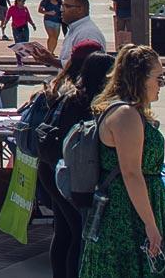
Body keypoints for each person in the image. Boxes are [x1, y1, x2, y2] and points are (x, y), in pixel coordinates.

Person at [80, 44, 165, 277]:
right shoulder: (126, 115)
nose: (161, 85)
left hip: (135, 205)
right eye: (158, 78)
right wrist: (150, 225)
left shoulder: (130, 112)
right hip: (126, 211)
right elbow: (131, 173)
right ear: (140, 78)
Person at [40, 47, 113, 277]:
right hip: (67, 174)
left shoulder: (69, 94)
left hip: (52, 168)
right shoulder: (86, 103)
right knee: (78, 233)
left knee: (65, 231)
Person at [31, 0, 105, 69]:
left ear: (80, 9)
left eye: (66, 6)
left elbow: (84, 65)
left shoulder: (87, 33)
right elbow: (68, 60)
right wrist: (50, 60)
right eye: (62, 6)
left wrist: (51, 61)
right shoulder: (74, 29)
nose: (61, 9)